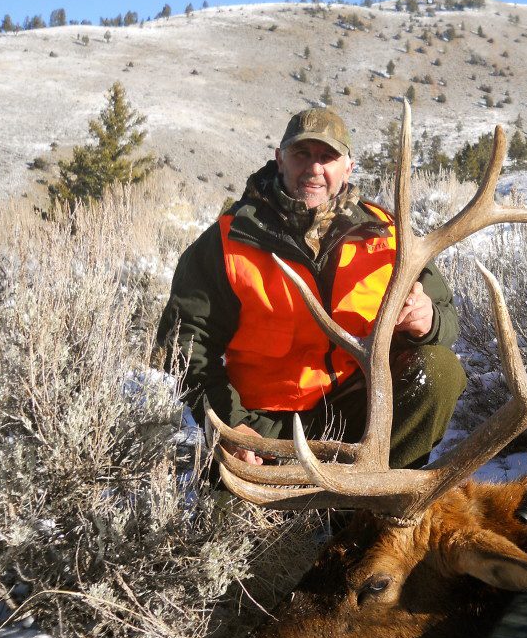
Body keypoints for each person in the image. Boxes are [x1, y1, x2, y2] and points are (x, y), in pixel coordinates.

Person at [156, 108, 466, 470]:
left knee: (439, 369)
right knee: (243, 523)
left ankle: (372, 508)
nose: (314, 168)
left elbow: (446, 316)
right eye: (302, 154)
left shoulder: (386, 234)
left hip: (360, 414)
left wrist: (428, 321)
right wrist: (230, 423)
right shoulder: (228, 241)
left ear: (347, 167)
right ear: (280, 159)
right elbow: (183, 344)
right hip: (265, 429)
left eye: (327, 157)